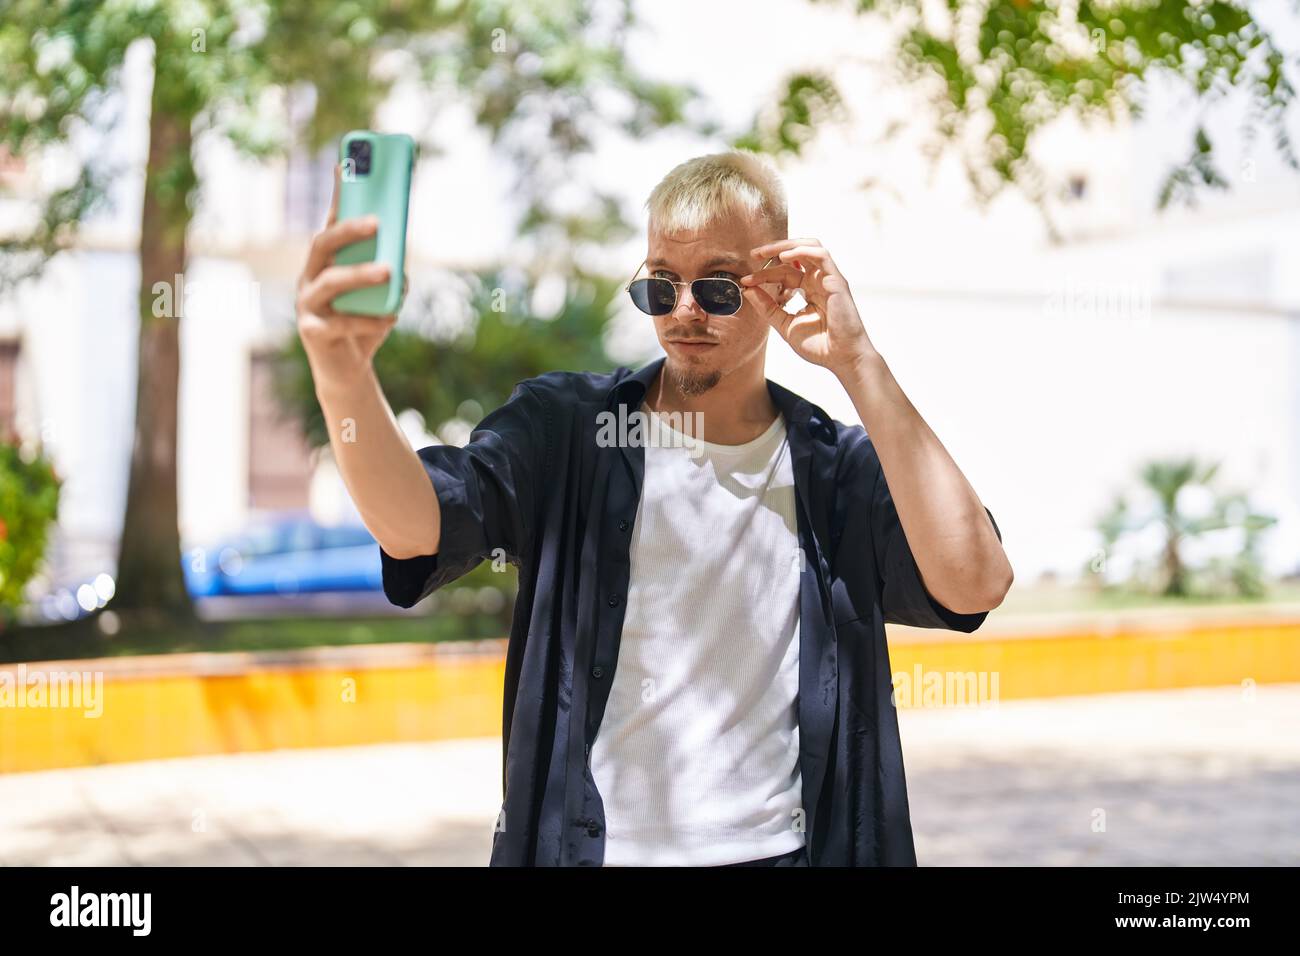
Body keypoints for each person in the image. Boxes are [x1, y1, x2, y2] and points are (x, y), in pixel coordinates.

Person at [294, 150, 1013, 866]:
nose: (687, 311)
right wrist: (342, 373)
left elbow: (975, 581)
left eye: (720, 287)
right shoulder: (566, 431)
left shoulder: (833, 469)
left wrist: (858, 362)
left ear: (775, 284)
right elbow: (416, 524)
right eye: (661, 286)